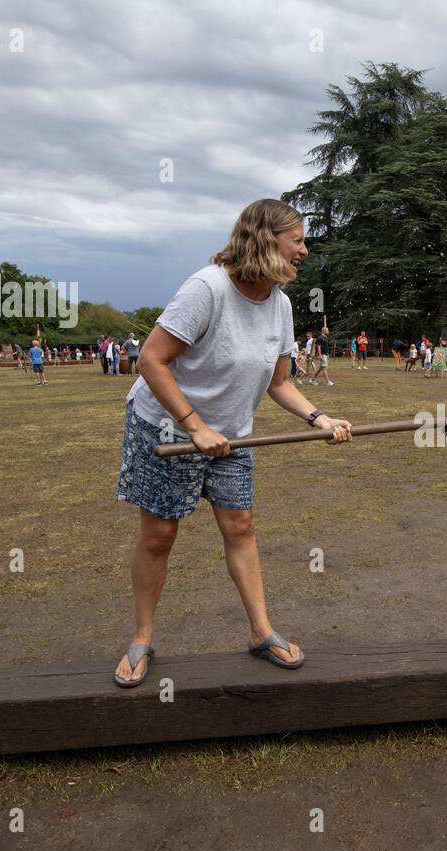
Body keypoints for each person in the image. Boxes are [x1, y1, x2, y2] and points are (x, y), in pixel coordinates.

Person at [114, 198, 352, 687]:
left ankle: (261, 631)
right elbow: (151, 361)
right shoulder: (208, 289)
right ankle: (141, 638)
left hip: (232, 436)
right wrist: (195, 425)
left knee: (240, 527)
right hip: (167, 427)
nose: (305, 251)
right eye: (298, 240)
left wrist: (319, 417)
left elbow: (279, 381)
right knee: (160, 536)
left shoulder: (281, 305)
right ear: (265, 239)